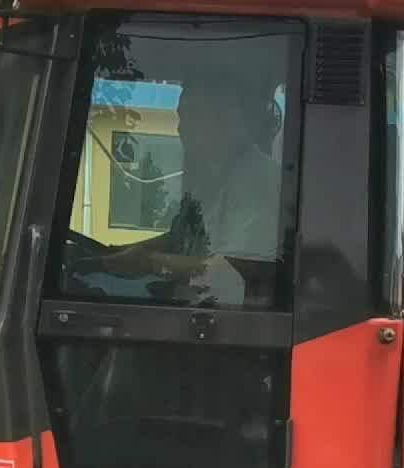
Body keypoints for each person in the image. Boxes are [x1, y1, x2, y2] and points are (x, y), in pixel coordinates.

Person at [105, 65, 284, 306]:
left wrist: (149, 262)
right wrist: (116, 253)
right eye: (181, 116)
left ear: (228, 119)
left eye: (192, 115)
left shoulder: (260, 181)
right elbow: (180, 238)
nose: (181, 127)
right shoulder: (210, 179)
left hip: (228, 322)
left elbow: (234, 268)